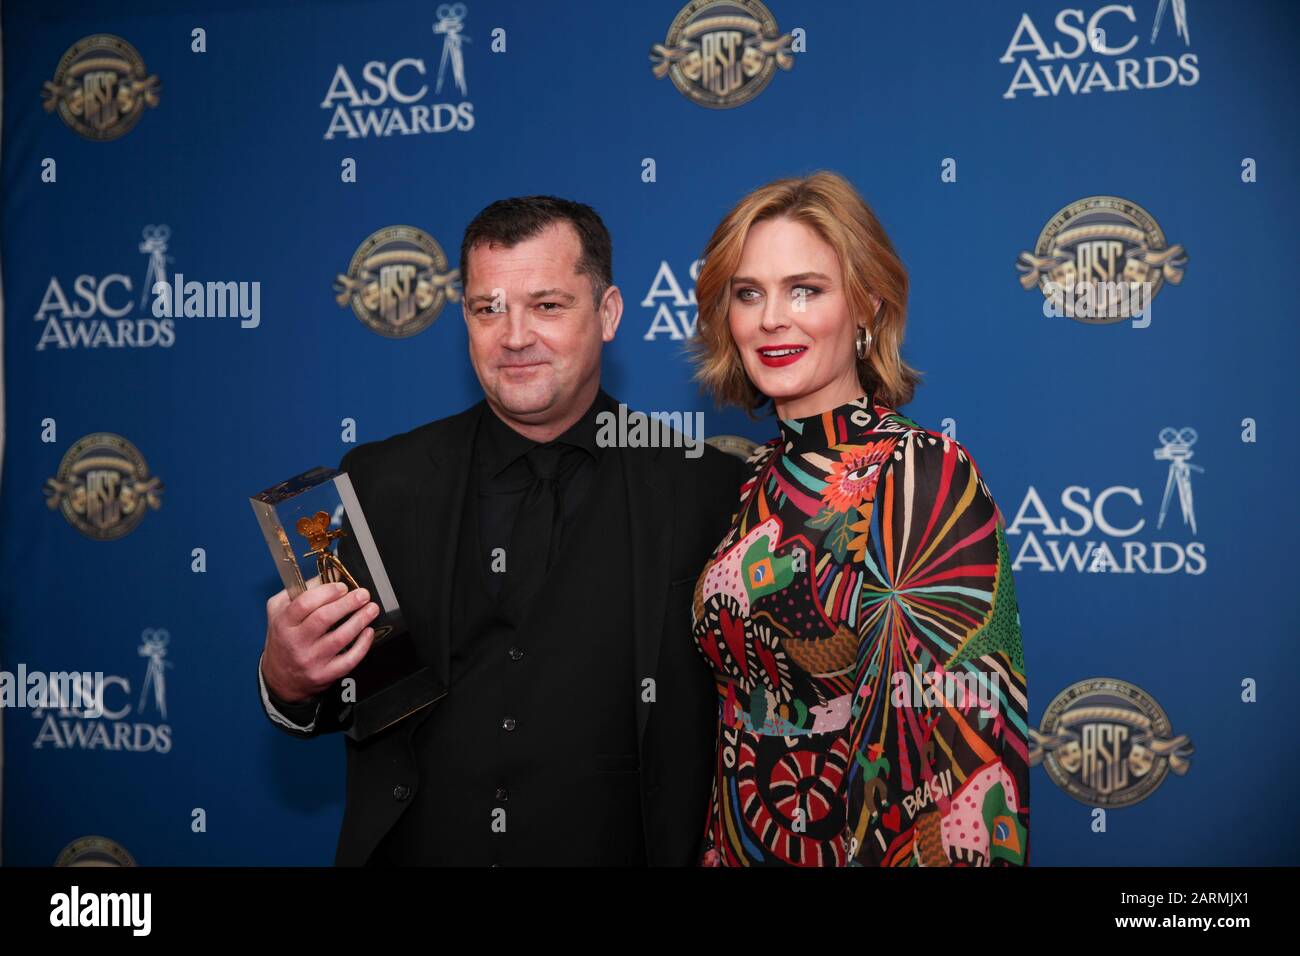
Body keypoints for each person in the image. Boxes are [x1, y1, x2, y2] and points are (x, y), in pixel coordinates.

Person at [257, 196, 743, 865]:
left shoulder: (707, 488)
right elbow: (352, 698)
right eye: (489, 308)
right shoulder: (378, 480)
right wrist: (288, 679)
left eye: (546, 305)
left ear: (607, 315)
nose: (514, 336)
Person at [687, 171, 1029, 866]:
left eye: (805, 289)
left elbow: (967, 754)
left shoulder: (921, 472)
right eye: (749, 293)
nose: (772, 318)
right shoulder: (745, 480)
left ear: (868, 307)